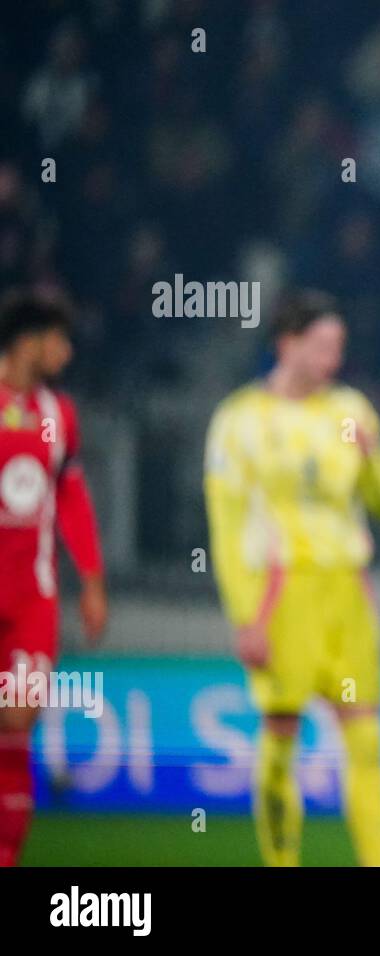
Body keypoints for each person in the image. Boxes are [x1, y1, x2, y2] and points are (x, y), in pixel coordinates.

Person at [204, 290, 380, 866]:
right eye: (321, 346)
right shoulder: (240, 420)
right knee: (280, 736)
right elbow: (226, 524)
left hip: (345, 588)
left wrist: (372, 462)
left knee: (365, 739)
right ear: (286, 344)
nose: (331, 360)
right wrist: (245, 615)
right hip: (279, 592)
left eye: (338, 347)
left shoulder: (351, 412)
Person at [0, 288, 107, 867]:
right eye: (59, 341)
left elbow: (71, 494)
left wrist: (91, 579)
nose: (66, 353)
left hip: (31, 598)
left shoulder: (58, 414)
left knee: (17, 721)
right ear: (29, 341)